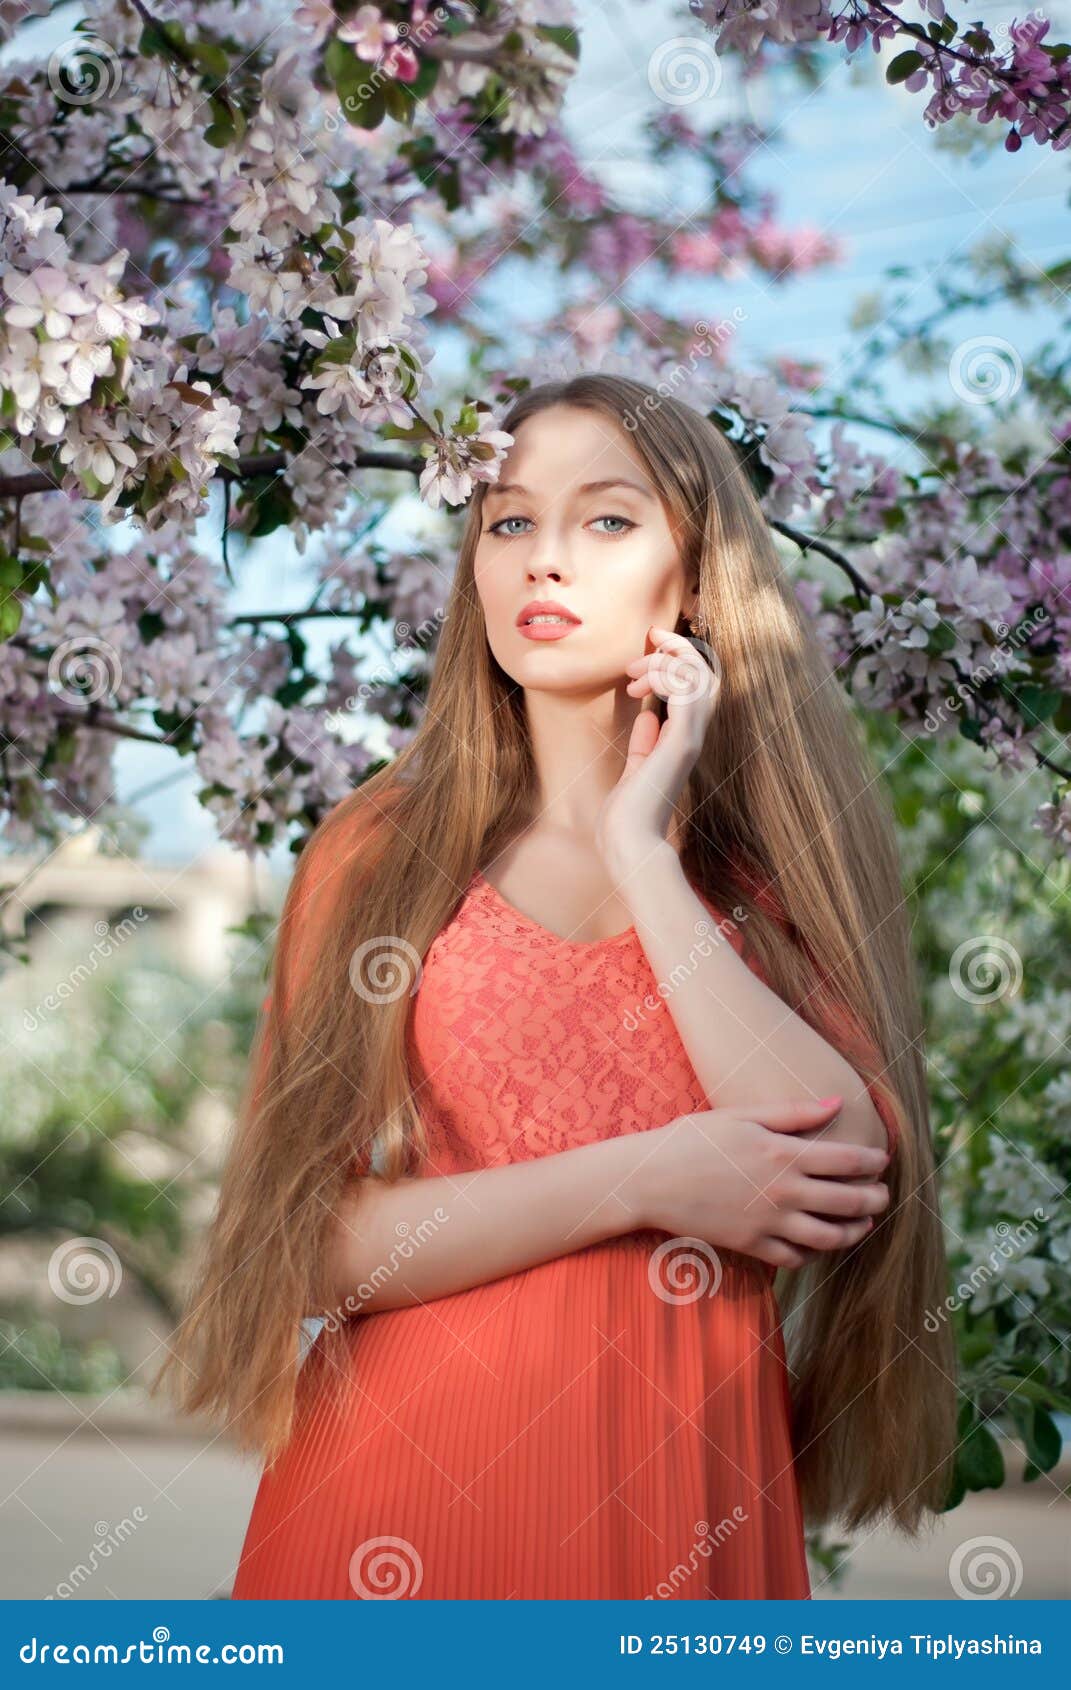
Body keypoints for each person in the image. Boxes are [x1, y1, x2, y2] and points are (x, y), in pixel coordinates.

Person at [153, 374, 956, 1600]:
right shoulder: (378, 853)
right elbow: (302, 1242)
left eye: (609, 521)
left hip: (682, 1496)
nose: (544, 562)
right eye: (511, 522)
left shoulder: (760, 874)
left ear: (692, 579)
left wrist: (645, 854)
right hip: (394, 1501)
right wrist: (647, 1176)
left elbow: (839, 1165)